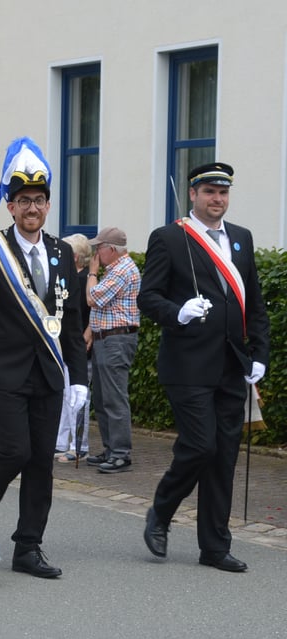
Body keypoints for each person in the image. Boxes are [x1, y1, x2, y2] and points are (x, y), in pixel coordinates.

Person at [0, 137, 88, 579]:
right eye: (24, 201)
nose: (32, 208)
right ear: (10, 206)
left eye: (39, 200)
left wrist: (79, 377)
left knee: (41, 462)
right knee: (14, 451)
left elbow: (71, 322)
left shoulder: (61, 252)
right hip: (3, 373)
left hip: (48, 373)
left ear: (48, 206)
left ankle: (28, 546)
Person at [138, 162, 269, 573]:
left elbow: (254, 303)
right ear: (193, 194)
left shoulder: (241, 238)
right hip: (188, 364)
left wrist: (260, 355)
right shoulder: (169, 238)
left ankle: (214, 547)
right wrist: (178, 312)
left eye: (223, 192)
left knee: (223, 457)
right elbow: (148, 297)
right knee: (200, 446)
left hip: (232, 365)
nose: (217, 199)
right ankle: (161, 511)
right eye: (210, 192)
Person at [82, 227, 140, 473]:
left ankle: (120, 454)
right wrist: (91, 332)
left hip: (115, 341)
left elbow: (93, 298)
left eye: (99, 247)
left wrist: (92, 273)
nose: (96, 253)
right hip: (106, 339)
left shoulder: (122, 270)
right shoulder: (116, 269)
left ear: (112, 249)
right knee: (102, 398)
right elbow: (101, 306)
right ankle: (111, 449)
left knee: (114, 398)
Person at [54, 233, 91, 463]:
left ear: (75, 257)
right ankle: (61, 441)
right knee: (65, 396)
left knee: (77, 398)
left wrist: (86, 336)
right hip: (65, 346)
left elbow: (90, 312)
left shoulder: (84, 280)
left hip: (78, 348)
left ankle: (79, 446)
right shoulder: (69, 279)